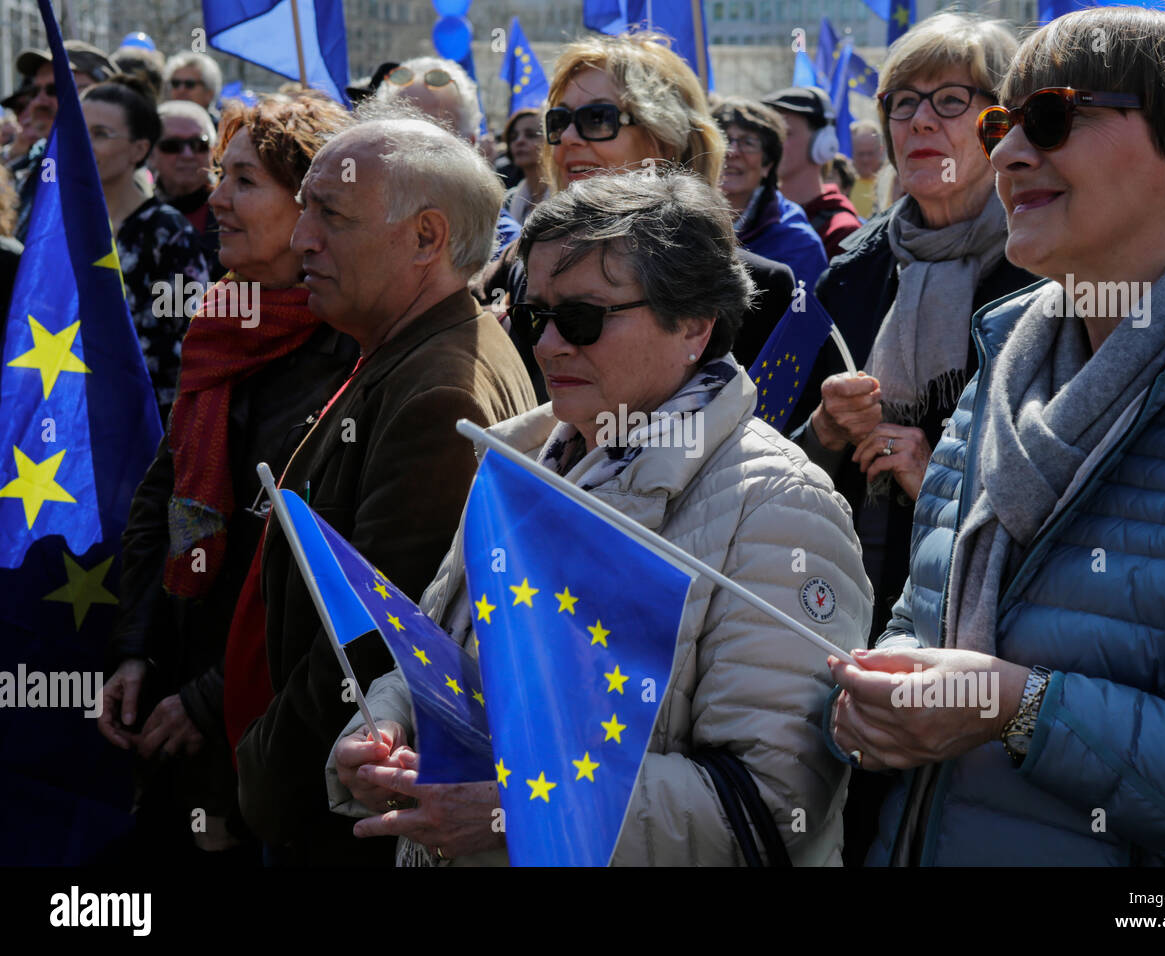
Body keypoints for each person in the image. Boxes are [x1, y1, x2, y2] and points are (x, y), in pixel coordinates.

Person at [830, 6, 1165, 867]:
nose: (1006, 153)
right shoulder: (1004, 363)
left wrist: (1024, 710)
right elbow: (922, 621)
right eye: (1003, 123)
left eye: (1051, 118)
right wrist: (885, 696)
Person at [325, 170, 872, 866]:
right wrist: (385, 726)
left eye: (582, 319)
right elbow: (451, 655)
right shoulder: (515, 457)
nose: (549, 345)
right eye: (533, 317)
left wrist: (519, 810)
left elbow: (772, 804)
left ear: (694, 326)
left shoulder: (778, 505)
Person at [231, 115, 536, 866]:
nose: (301, 238)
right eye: (304, 209)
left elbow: (376, 646)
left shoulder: (440, 396)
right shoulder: (407, 348)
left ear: (427, 238)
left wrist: (260, 775)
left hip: (343, 824)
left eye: (329, 215)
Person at [98, 94, 357, 865]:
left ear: (314, 205)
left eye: (243, 181)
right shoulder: (221, 320)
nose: (215, 201)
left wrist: (210, 699)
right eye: (218, 175)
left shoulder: (354, 354)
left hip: (269, 729)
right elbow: (165, 493)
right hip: (173, 685)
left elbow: (318, 575)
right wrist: (138, 649)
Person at [799, 13, 1027, 644]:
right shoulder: (850, 273)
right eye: (903, 103)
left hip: (983, 628)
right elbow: (777, 456)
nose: (920, 121)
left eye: (951, 100)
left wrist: (941, 483)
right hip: (840, 603)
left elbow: (1065, 485)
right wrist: (825, 429)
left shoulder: (1047, 272)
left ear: (1001, 123)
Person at [481, 32, 796, 398]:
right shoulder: (516, 270)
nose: (567, 137)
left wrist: (828, 429)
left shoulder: (762, 288)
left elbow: (783, 436)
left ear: (664, 139)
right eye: (559, 120)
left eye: (597, 118)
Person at [82, 80, 209, 419]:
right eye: (78, 130)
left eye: (100, 133)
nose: (84, 143)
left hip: (146, 424)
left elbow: (192, 338)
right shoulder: (60, 225)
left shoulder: (167, 233)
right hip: (73, 419)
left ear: (139, 150)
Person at [373, 57, 522, 262]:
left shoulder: (504, 248)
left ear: (469, 144)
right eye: (398, 133)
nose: (411, 151)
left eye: (431, 133)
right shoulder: (356, 227)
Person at [712, 96, 829, 293]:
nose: (732, 151)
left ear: (768, 164)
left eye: (748, 142)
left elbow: (801, 320)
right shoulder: (680, 225)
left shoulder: (797, 243)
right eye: (723, 138)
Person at [12, 40, 118, 241]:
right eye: (35, 91)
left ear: (102, 94)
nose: (38, 102)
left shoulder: (115, 174)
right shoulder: (28, 169)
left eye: (56, 89)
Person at [762, 86, 862, 259]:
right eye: (770, 134)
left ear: (823, 144)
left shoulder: (842, 231)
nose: (773, 143)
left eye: (785, 133)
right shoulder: (757, 215)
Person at [152, 100, 222, 277]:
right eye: (172, 146)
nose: (187, 155)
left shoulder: (237, 210)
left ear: (213, 150)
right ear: (150, 153)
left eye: (199, 144)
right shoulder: (135, 214)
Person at [501, 107, 546, 224]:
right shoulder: (508, 201)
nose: (519, 141)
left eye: (530, 135)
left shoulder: (565, 195)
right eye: (513, 137)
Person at [163, 51, 222, 121]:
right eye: (175, 83)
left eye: (189, 84)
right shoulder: (157, 126)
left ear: (209, 93)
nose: (181, 89)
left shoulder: (222, 129)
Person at [849, 118, 886, 218]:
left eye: (870, 153)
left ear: (881, 150)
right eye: (860, 154)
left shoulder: (892, 182)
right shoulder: (842, 181)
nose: (865, 160)